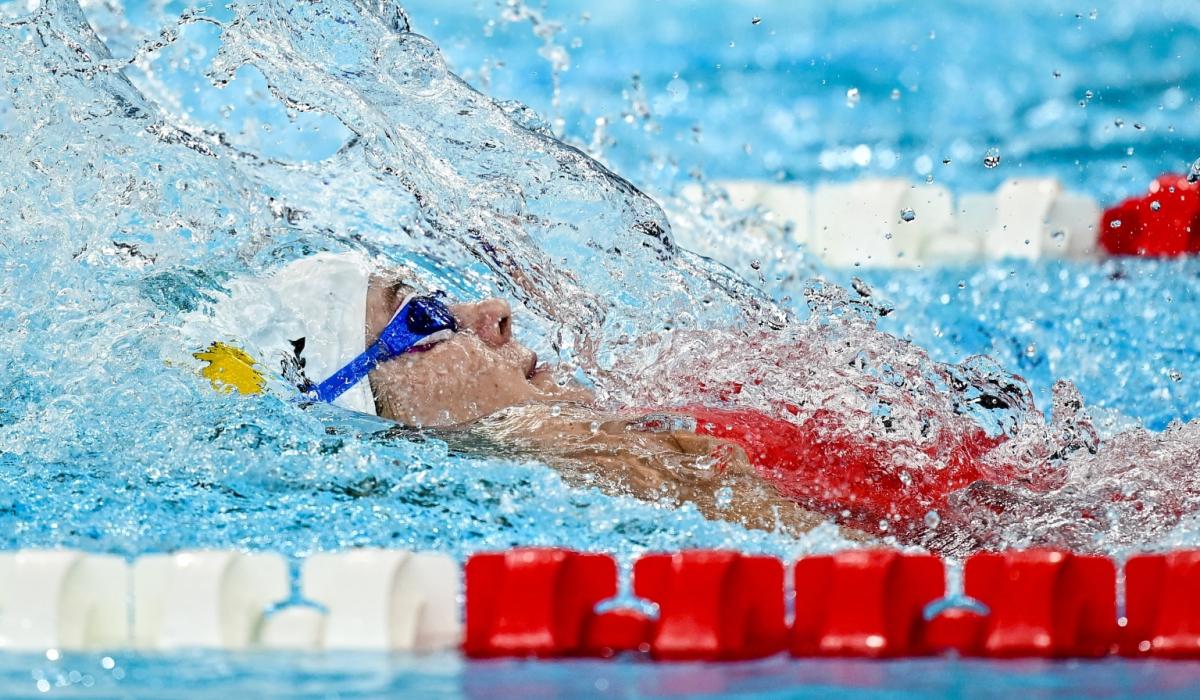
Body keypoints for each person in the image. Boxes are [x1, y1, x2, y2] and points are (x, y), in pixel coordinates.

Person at [186, 252, 1108, 552]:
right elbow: (900, 570)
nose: (493, 310)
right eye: (425, 316)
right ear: (369, 401)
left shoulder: (628, 415)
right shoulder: (600, 464)